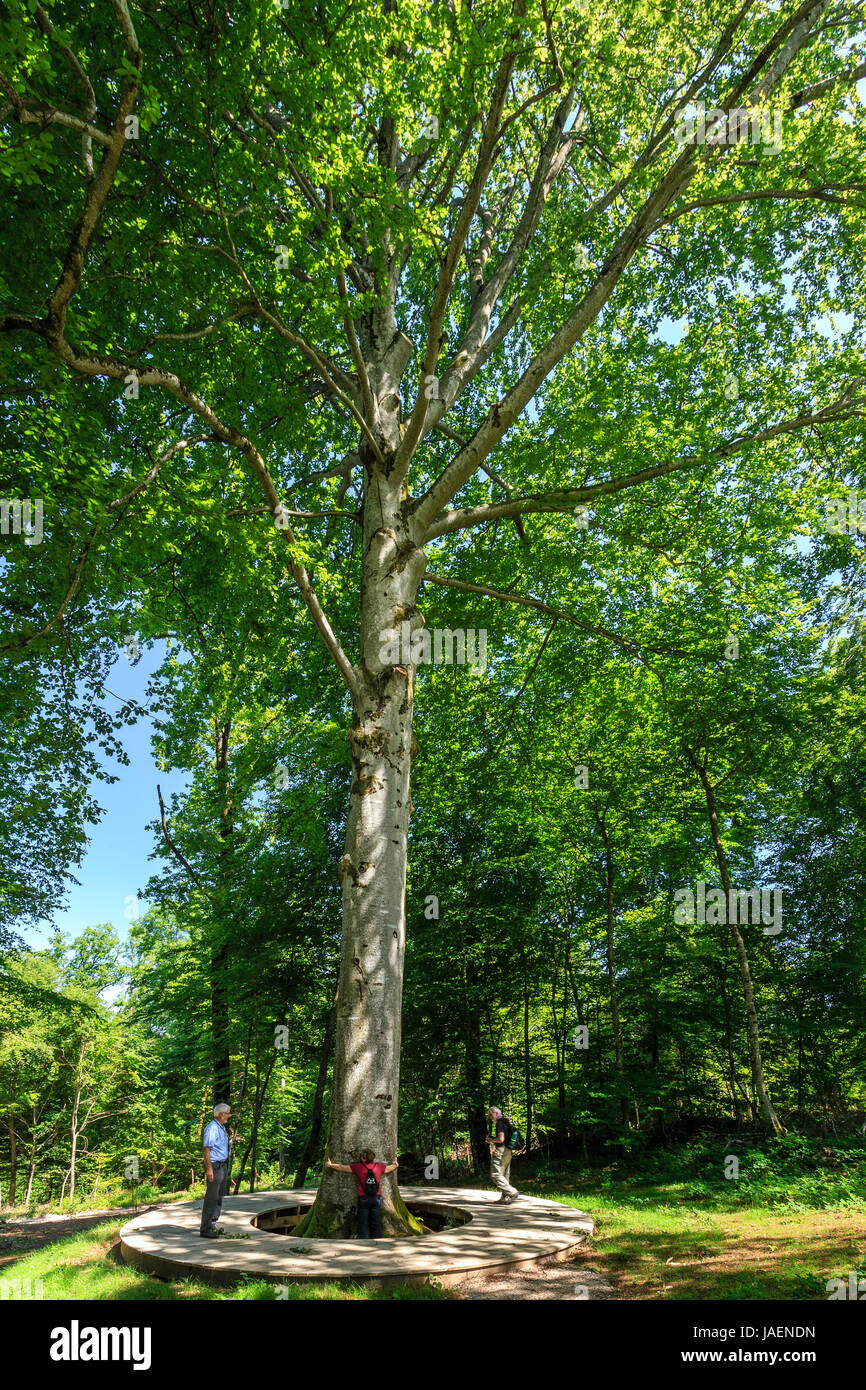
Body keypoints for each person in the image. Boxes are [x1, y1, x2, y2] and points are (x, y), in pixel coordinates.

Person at [325, 1149, 398, 1238]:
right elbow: (388, 1169)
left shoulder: (358, 1167)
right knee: (376, 1222)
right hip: (376, 1198)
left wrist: (331, 1165)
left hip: (363, 1198)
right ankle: (378, 1240)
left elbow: (342, 1167)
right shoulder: (379, 1167)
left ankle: (364, 1241)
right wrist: (395, 1165)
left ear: (363, 1159)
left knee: (363, 1222)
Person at [200, 1102, 233, 1238]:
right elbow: (206, 1148)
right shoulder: (212, 1128)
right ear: (221, 1115)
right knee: (211, 1197)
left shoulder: (221, 1127)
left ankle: (213, 1223)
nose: (229, 1116)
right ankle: (205, 1229)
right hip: (214, 1165)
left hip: (222, 1165)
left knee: (219, 1196)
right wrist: (209, 1169)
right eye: (227, 1113)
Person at [486, 1105, 519, 1203]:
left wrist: (490, 1140)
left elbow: (501, 1139)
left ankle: (512, 1192)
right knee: (505, 1175)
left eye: (491, 1115)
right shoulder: (507, 1122)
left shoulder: (500, 1123)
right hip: (508, 1151)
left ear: (496, 1113)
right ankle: (504, 1198)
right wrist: (493, 1138)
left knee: (495, 1174)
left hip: (500, 1151)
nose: (490, 1117)